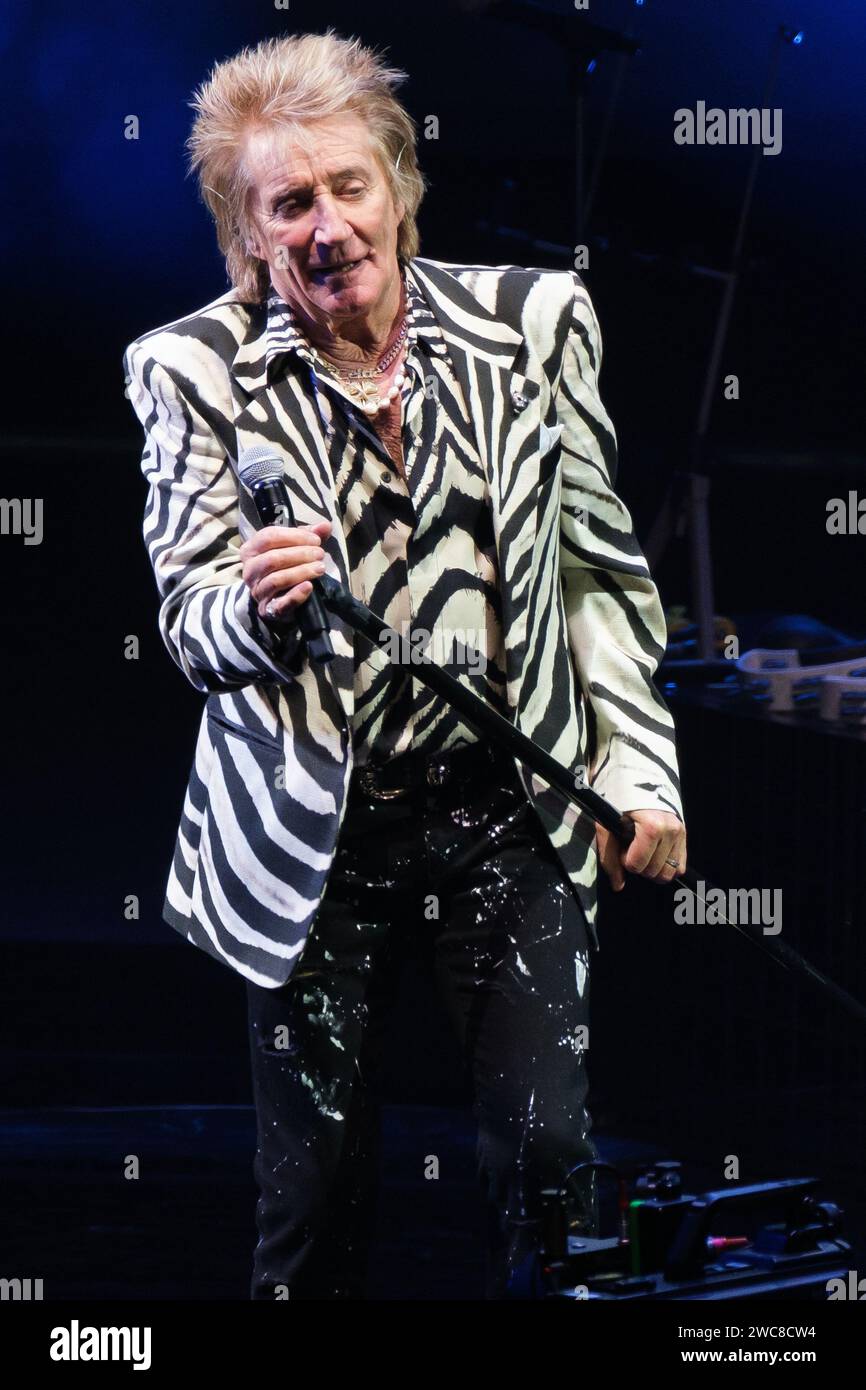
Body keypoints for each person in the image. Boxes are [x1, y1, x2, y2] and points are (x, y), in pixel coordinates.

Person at [123, 29, 687, 1300]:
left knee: (548, 1162)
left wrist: (641, 769)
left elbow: (600, 575)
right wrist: (256, 608)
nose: (326, 227)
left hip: (507, 810)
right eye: (288, 205)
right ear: (251, 238)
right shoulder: (190, 372)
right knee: (315, 1195)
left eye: (347, 188)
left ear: (398, 190)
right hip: (316, 826)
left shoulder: (537, 324)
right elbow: (187, 616)